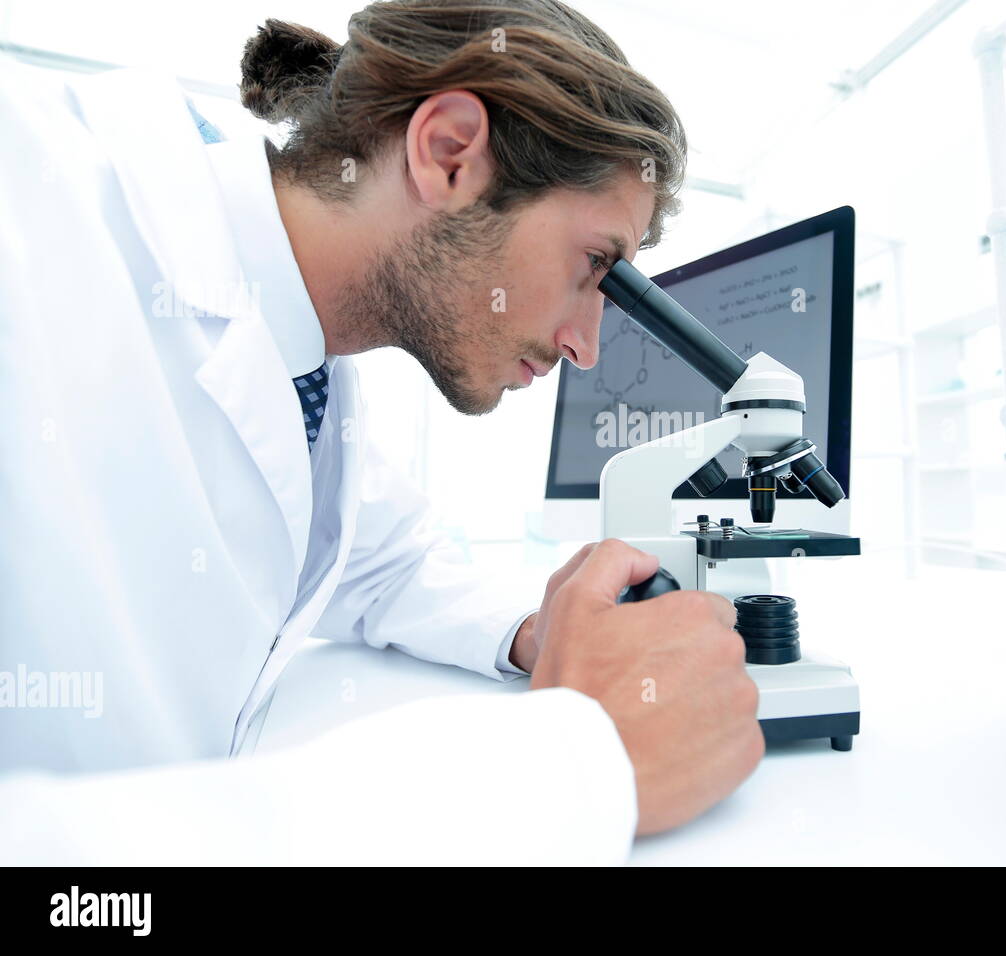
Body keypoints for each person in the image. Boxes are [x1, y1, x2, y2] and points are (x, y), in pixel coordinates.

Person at [0, 0, 761, 864]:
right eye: (595, 267)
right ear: (448, 154)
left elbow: (385, 558)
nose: (587, 347)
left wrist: (538, 631)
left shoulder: (310, 360)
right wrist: (571, 769)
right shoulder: (24, 200)